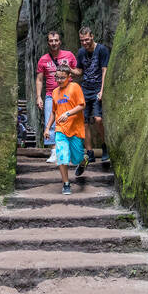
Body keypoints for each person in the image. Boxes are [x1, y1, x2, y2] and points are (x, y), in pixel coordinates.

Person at [44, 60, 85, 194]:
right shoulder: (55, 92)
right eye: (57, 77)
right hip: (60, 129)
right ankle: (66, 184)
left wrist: (68, 113)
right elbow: (54, 112)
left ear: (69, 77)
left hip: (75, 129)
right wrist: (47, 128)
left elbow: (82, 105)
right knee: (62, 155)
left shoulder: (75, 87)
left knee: (77, 158)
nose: (59, 80)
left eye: (62, 77)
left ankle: (84, 161)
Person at [35, 30, 77, 162]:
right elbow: (39, 79)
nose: (54, 43)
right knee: (50, 122)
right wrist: (38, 96)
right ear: (48, 43)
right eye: (51, 41)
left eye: (56, 40)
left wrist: (69, 69)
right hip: (50, 95)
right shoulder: (43, 59)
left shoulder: (69, 55)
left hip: (67, 94)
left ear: (60, 42)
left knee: (69, 121)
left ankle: (67, 150)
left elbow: (77, 71)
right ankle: (54, 152)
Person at [74, 26, 110, 165]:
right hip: (85, 89)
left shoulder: (101, 50)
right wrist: (69, 69)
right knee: (84, 121)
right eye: (82, 40)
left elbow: (104, 71)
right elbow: (79, 71)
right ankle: (89, 152)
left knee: (98, 119)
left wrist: (102, 90)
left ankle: (105, 145)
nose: (84, 42)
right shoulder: (81, 52)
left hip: (97, 89)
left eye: (87, 39)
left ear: (92, 36)